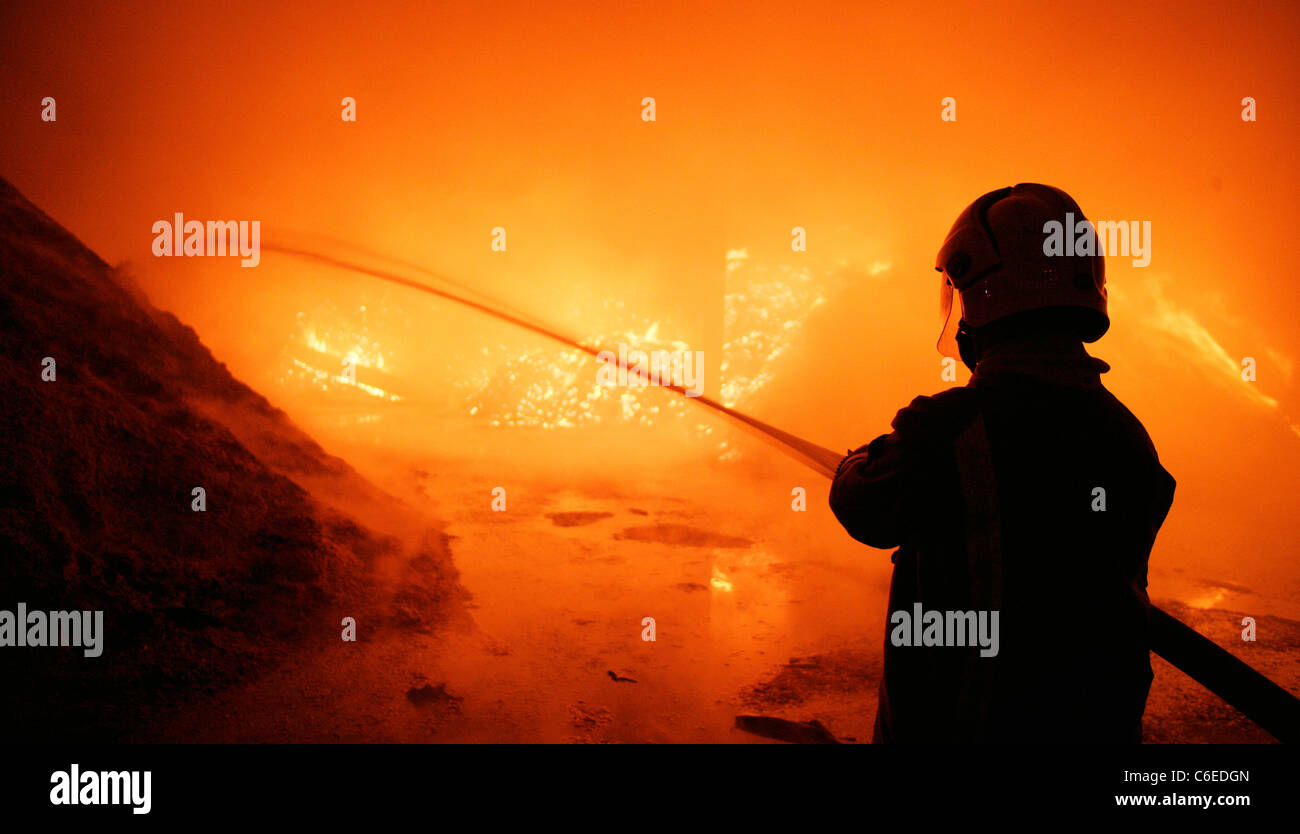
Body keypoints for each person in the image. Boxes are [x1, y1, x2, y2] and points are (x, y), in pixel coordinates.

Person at [830, 184, 1176, 743]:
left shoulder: (951, 426)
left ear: (979, 295)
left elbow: (863, 506)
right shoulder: (1126, 434)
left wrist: (858, 463)